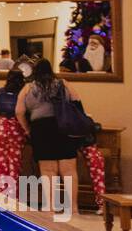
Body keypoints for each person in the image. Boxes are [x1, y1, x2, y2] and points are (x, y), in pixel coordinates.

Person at [15, 58, 82, 217]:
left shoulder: (28, 88)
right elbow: (78, 103)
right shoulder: (64, 83)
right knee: (69, 171)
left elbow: (19, 112)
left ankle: (50, 208)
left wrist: (27, 129)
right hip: (63, 127)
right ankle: (73, 208)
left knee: (48, 171)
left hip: (41, 129)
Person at [0, 68, 27, 199]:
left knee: (1, 161)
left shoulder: (1, 92)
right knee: (14, 162)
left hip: (2, 126)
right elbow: (22, 111)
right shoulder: (22, 93)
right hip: (16, 127)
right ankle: (13, 195)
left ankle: (1, 193)